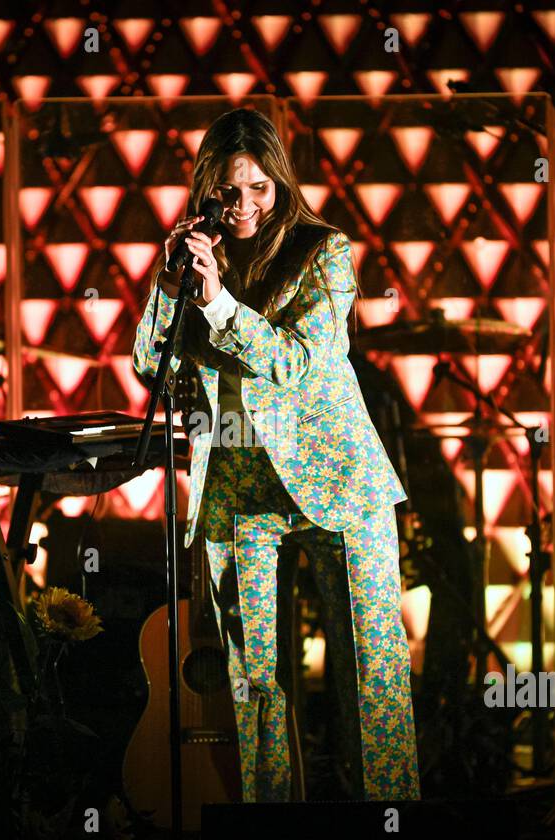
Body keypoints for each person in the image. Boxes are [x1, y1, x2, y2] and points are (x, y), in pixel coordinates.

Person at [131, 108, 419, 802]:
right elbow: (148, 364)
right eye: (229, 192)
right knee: (249, 678)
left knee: (372, 672)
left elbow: (295, 364)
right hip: (240, 484)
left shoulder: (325, 253)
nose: (244, 206)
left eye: (259, 189)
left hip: (340, 480)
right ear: (206, 189)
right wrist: (173, 287)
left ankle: (387, 825)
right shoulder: (193, 258)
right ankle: (265, 828)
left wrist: (224, 305)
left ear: (281, 185)